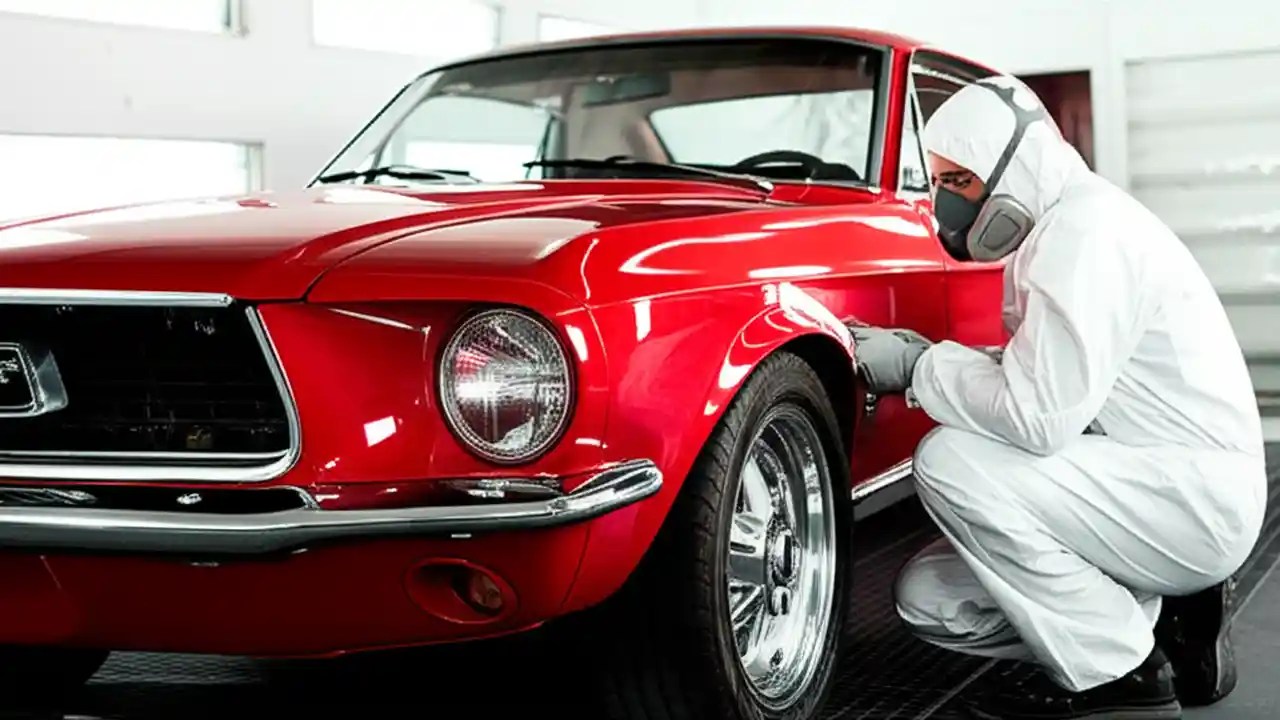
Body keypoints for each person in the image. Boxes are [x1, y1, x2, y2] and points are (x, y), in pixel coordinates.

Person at [851, 75, 1267, 720]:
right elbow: (1055, 376)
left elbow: (1038, 417)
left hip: (1187, 496)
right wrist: (930, 358)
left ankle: (1123, 674)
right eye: (937, 184)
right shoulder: (1064, 227)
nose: (945, 205)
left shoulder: (1085, 235)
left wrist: (919, 369)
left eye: (959, 182)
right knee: (930, 597)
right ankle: (1154, 623)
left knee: (949, 460)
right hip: (1145, 481)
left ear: (1015, 166)